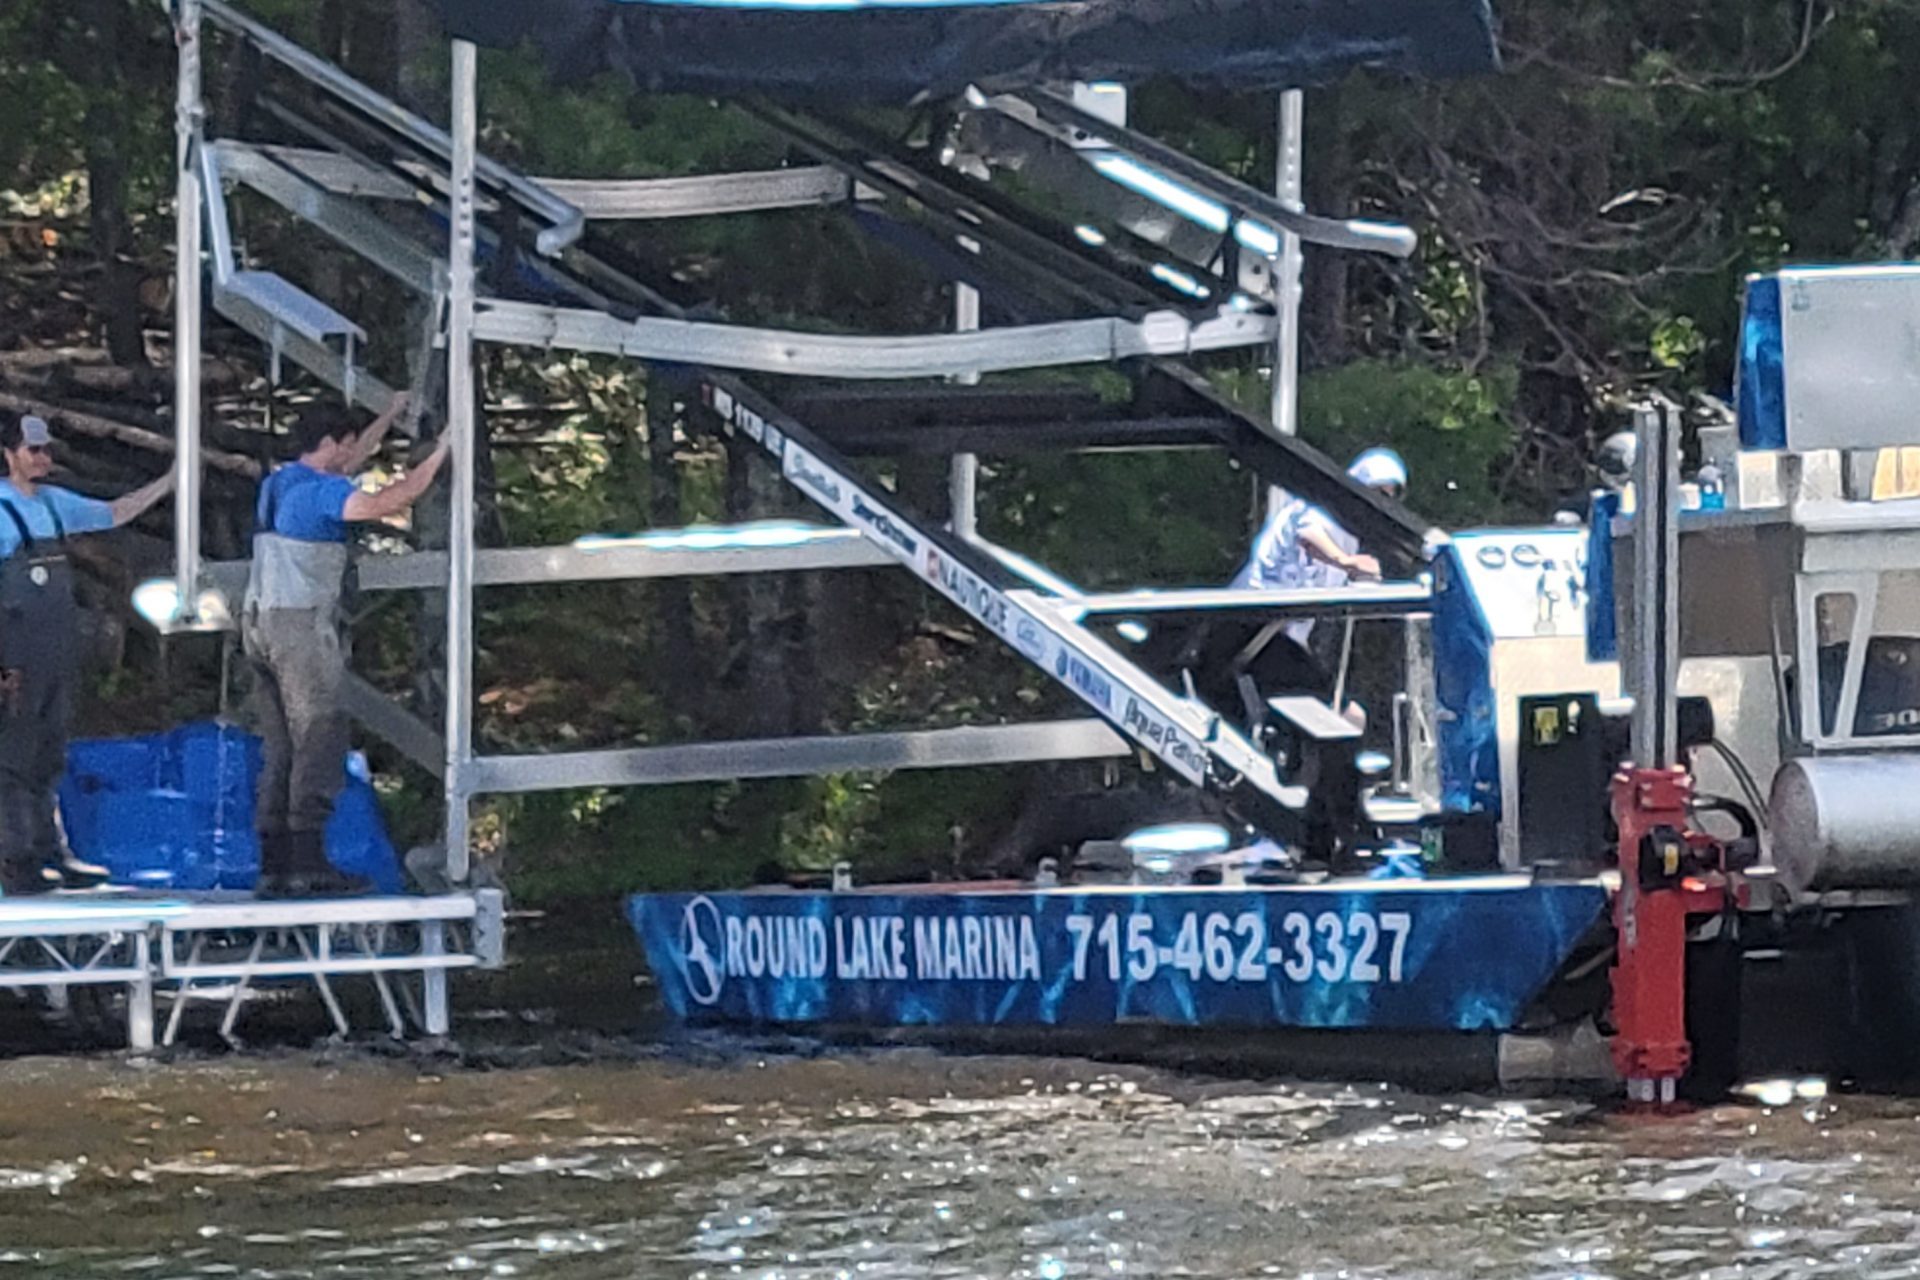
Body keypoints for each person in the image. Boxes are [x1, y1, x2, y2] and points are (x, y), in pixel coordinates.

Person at [244, 394, 445, 898]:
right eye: (349, 445)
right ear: (332, 444)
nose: (355, 456)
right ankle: (310, 862)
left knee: (280, 747)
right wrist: (442, 450)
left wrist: (386, 415)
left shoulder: (281, 483)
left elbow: (348, 464)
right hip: (300, 627)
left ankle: (276, 864)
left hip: (259, 622)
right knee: (320, 733)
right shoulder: (321, 495)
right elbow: (389, 501)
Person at [0, 412, 174, 894]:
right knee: (11, 757)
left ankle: (50, 851)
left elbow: (114, 512)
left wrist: (170, 482)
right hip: (12, 654)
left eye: (46, 450)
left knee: (49, 753)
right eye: (32, 450)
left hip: (54, 650)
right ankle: (15, 860)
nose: (42, 458)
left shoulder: (55, 504)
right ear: (9, 454)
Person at [1231, 446, 1409, 652]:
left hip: (1282, 631)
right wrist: (1347, 562)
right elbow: (1308, 535)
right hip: (1252, 615)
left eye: (1388, 498)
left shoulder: (1350, 533)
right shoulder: (1327, 502)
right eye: (1378, 493)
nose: (1380, 504)